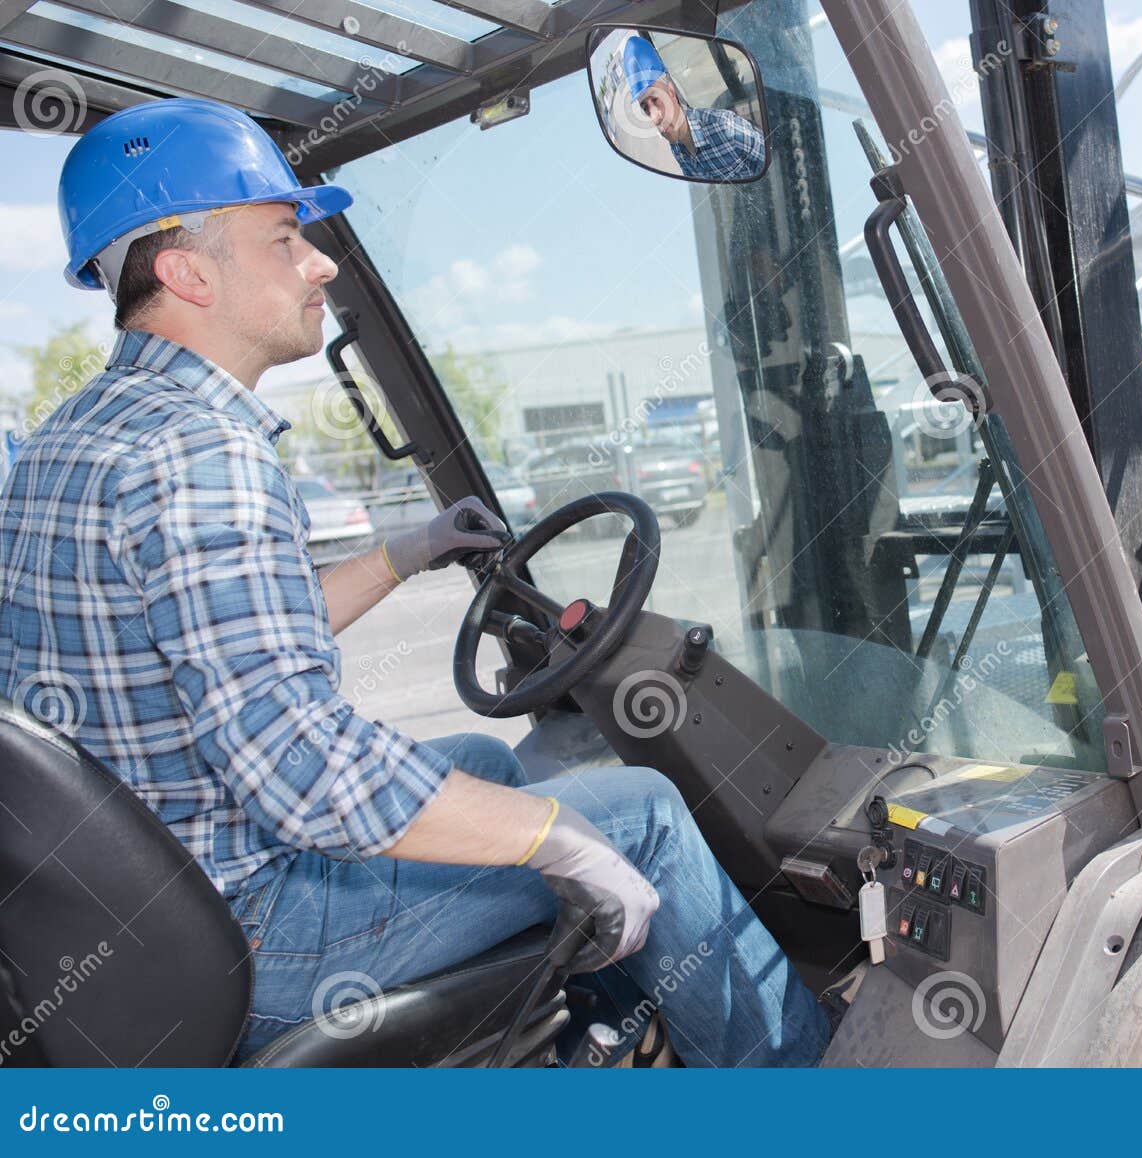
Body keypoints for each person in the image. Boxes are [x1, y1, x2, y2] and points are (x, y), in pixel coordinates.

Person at [0, 97, 829, 1065]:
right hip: (252, 934)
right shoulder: (202, 454)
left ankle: (610, 1030)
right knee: (636, 812)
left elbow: (219, 645)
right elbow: (301, 767)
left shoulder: (74, 436)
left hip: (135, 929)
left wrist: (412, 549)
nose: (323, 263)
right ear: (188, 272)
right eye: (284, 239)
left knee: (482, 767)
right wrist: (561, 840)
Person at [621, 36, 767, 181]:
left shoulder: (725, 126)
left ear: (671, 91)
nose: (654, 117)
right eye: (645, 108)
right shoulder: (678, 149)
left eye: (656, 100)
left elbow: (775, 165)